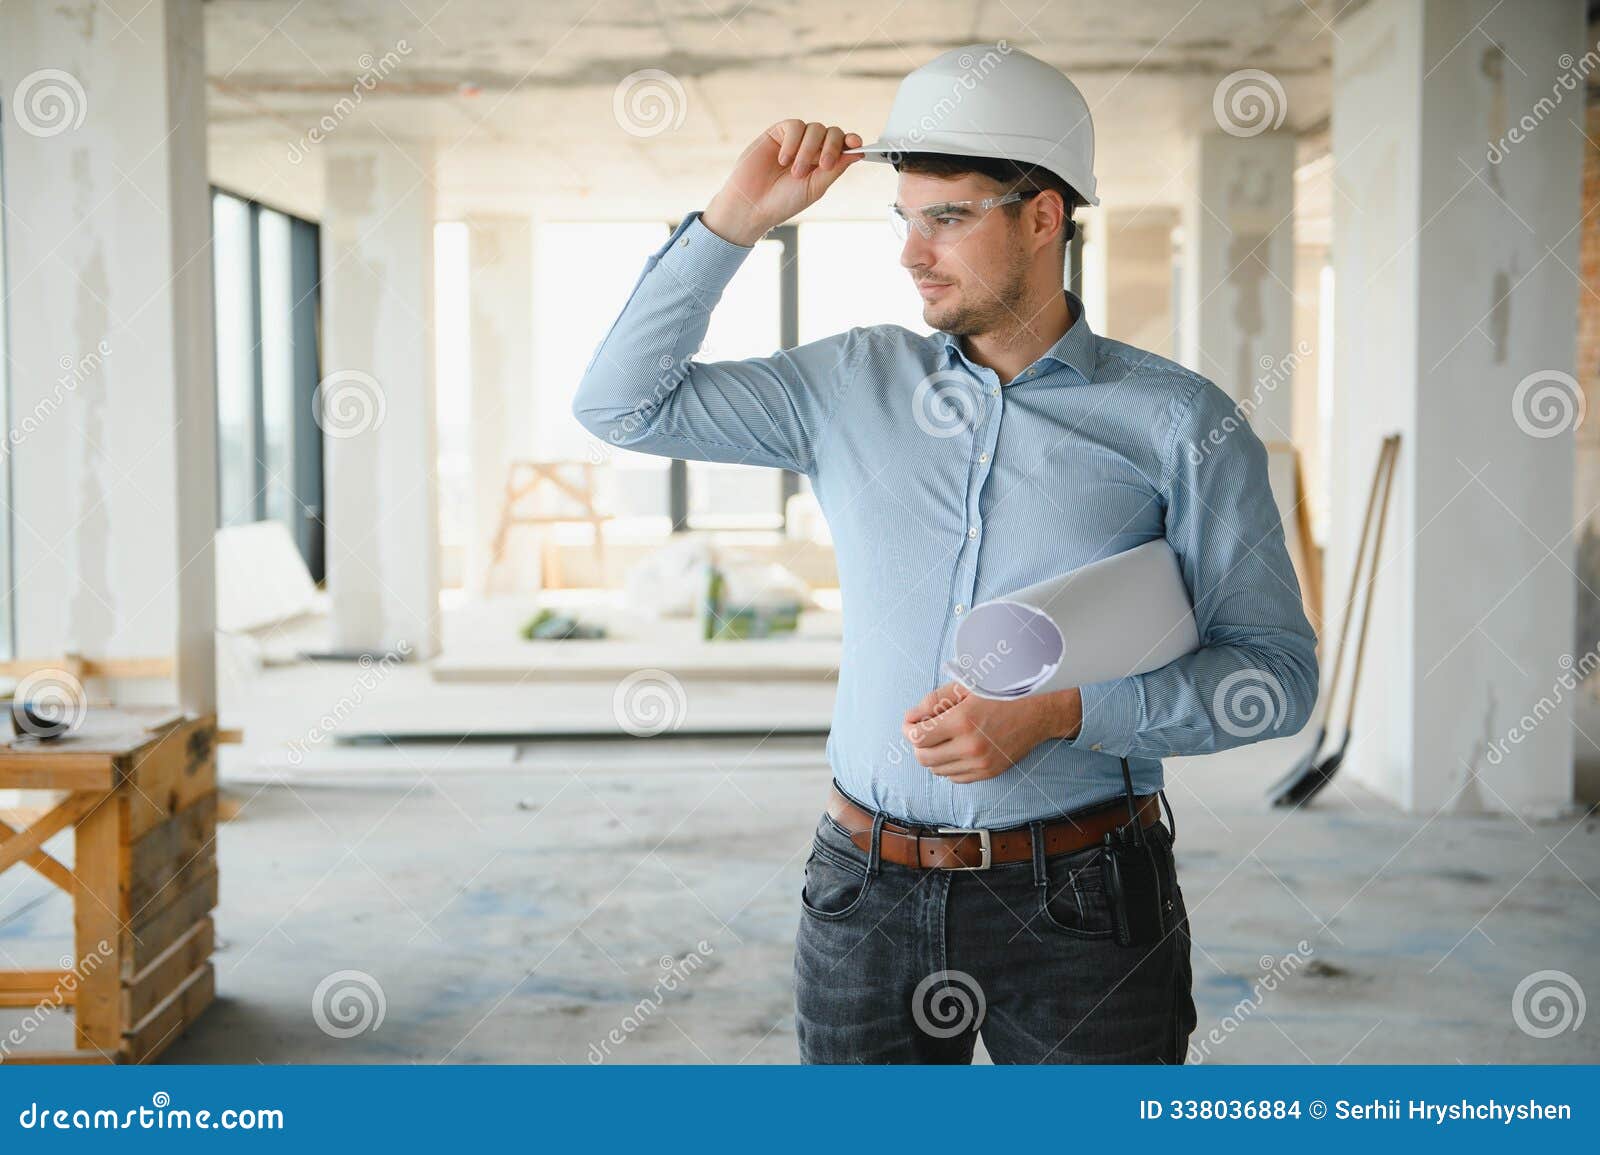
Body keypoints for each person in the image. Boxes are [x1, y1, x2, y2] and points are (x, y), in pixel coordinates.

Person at [572, 43, 1318, 1064]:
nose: (912, 254)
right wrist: (732, 221)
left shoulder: (1178, 422)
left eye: (948, 219)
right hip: (860, 892)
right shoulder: (847, 386)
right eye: (904, 221)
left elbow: (1271, 679)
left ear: (1044, 215)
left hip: (1084, 906)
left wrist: (1061, 714)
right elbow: (619, 404)